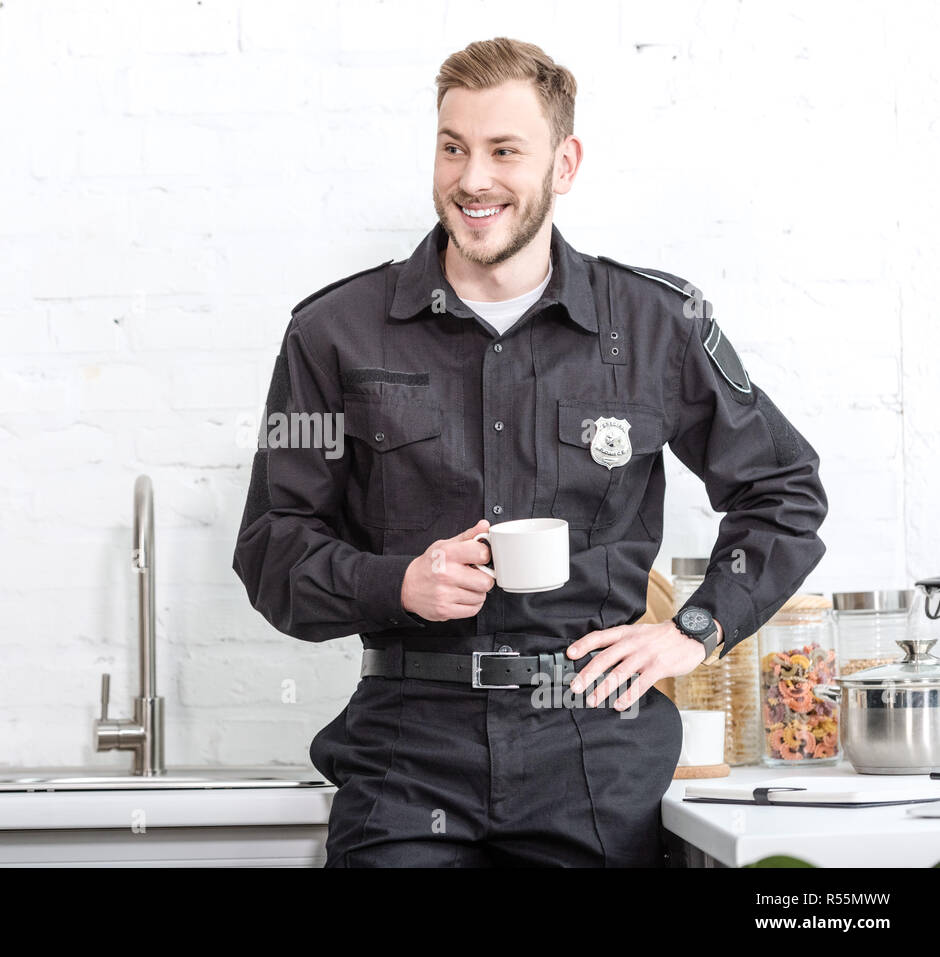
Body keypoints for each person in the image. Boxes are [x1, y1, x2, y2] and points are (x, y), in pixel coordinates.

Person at [231, 36, 828, 867]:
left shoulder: (656, 324)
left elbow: (784, 489)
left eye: (504, 150)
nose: (472, 179)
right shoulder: (332, 332)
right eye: (452, 148)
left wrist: (695, 628)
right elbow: (270, 549)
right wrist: (396, 581)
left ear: (565, 163)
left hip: (594, 756)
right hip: (407, 755)